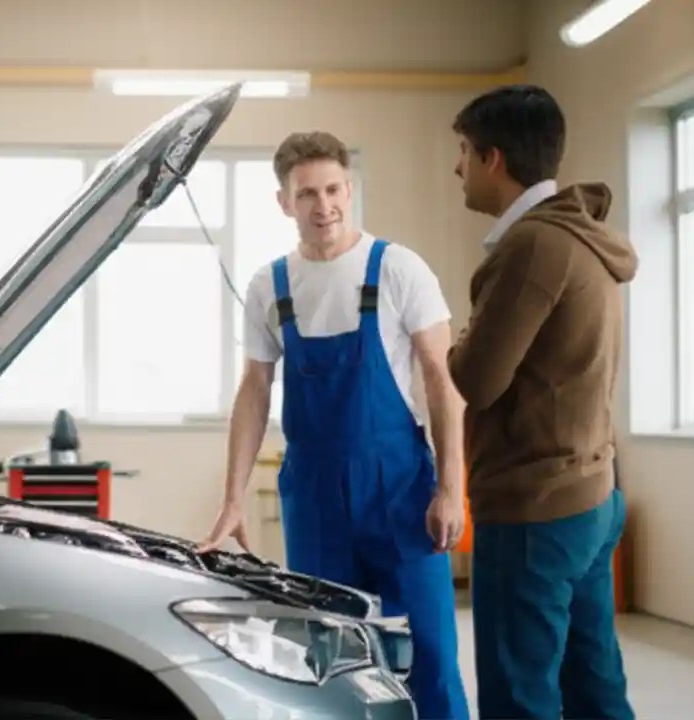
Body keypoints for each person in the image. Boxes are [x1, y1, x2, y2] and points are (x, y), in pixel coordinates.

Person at [199, 131, 470, 720]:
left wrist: (452, 490)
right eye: (306, 194)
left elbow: (442, 385)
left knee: (430, 654)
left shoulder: (397, 268)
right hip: (315, 496)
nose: (322, 206)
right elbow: (254, 390)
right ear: (284, 202)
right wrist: (233, 499)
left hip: (399, 488)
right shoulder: (270, 285)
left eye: (332, 190)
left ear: (349, 189)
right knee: (323, 657)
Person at [446, 84, 637, 720]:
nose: (457, 168)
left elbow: (476, 378)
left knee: (520, 696)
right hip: (589, 494)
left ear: (493, 159)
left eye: (464, 152)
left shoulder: (532, 246)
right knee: (594, 686)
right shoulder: (582, 236)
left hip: (535, 511)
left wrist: (454, 340)